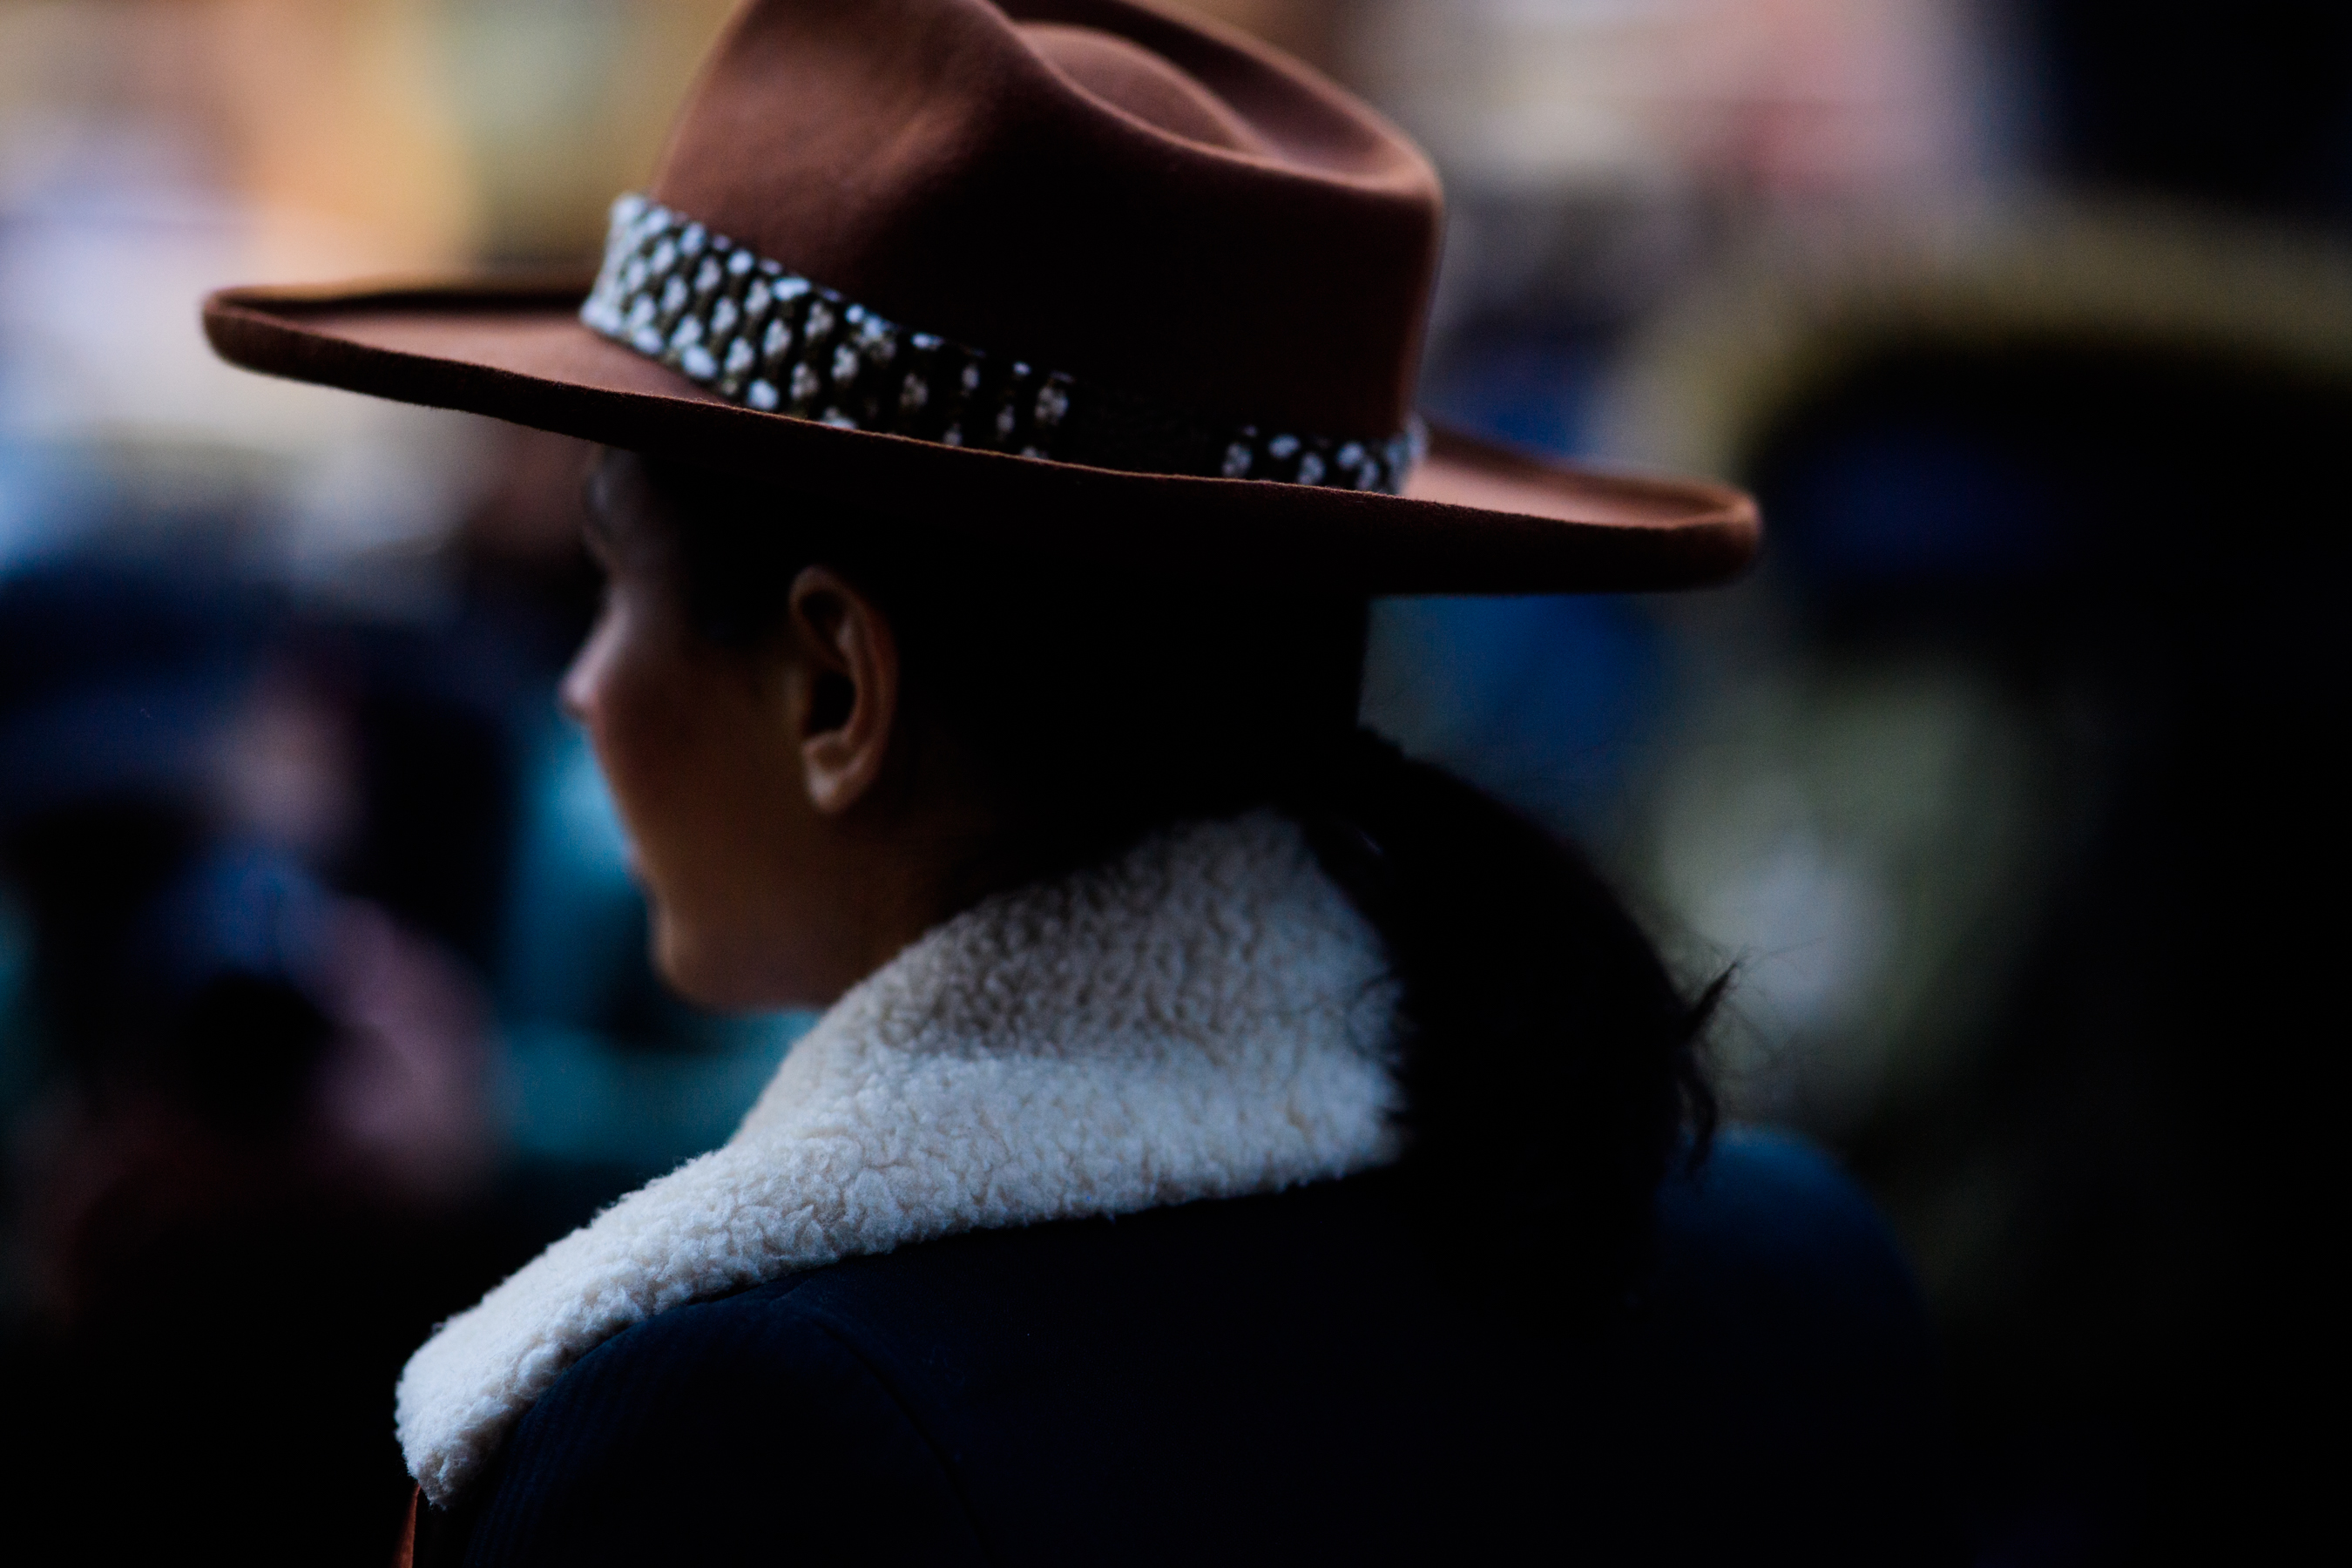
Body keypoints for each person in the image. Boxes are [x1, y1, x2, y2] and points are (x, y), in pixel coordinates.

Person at [205, 2, 1950, 1560]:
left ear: (836, 685)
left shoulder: (732, 1447)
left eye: (613, 590)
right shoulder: (1802, 1275)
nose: (577, 694)